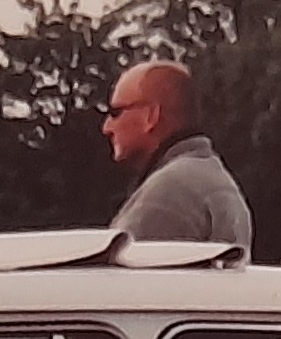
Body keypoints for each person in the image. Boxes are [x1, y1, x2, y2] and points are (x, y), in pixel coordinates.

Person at [103, 62, 251, 248]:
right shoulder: (214, 181)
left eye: (115, 112)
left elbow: (121, 276)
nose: (106, 128)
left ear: (151, 116)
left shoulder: (169, 193)